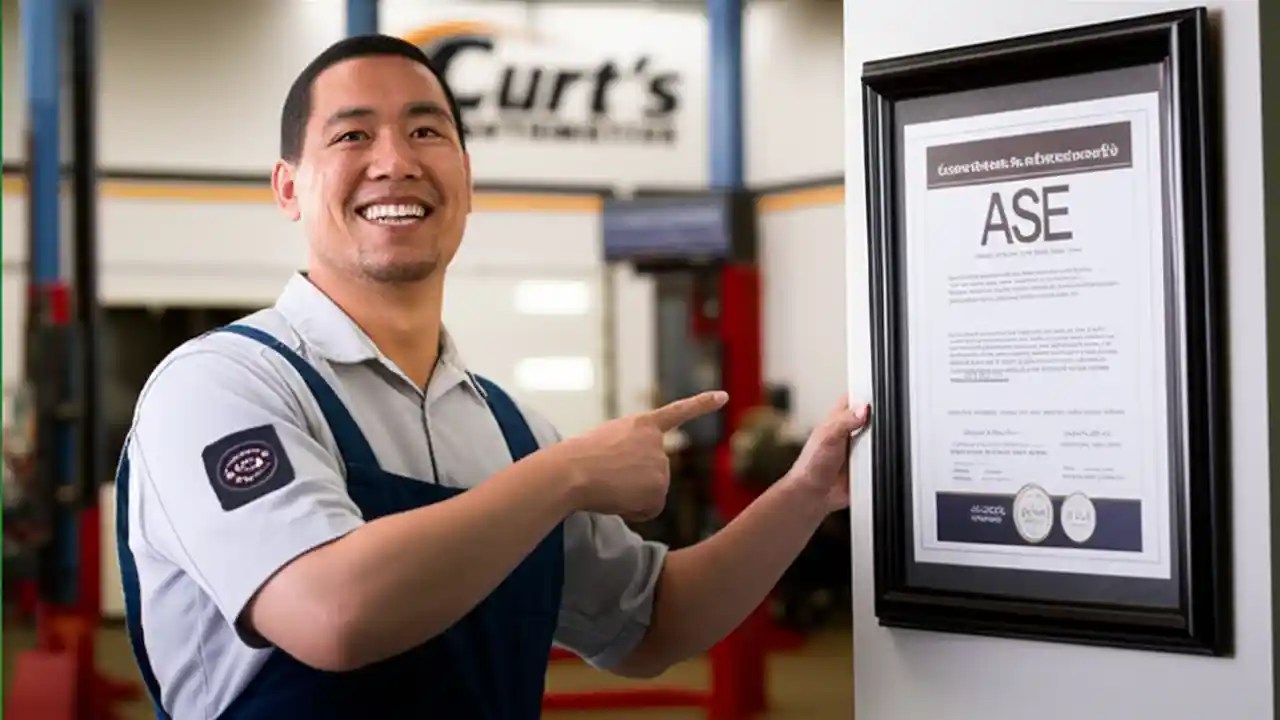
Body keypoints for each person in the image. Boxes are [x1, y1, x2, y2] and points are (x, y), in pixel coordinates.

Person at [115, 33, 871, 719]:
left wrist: (806, 493)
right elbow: (332, 614)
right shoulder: (219, 387)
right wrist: (567, 474)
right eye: (352, 134)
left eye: (426, 131)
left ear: (467, 180)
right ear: (288, 188)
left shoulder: (510, 431)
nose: (395, 160)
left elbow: (653, 623)